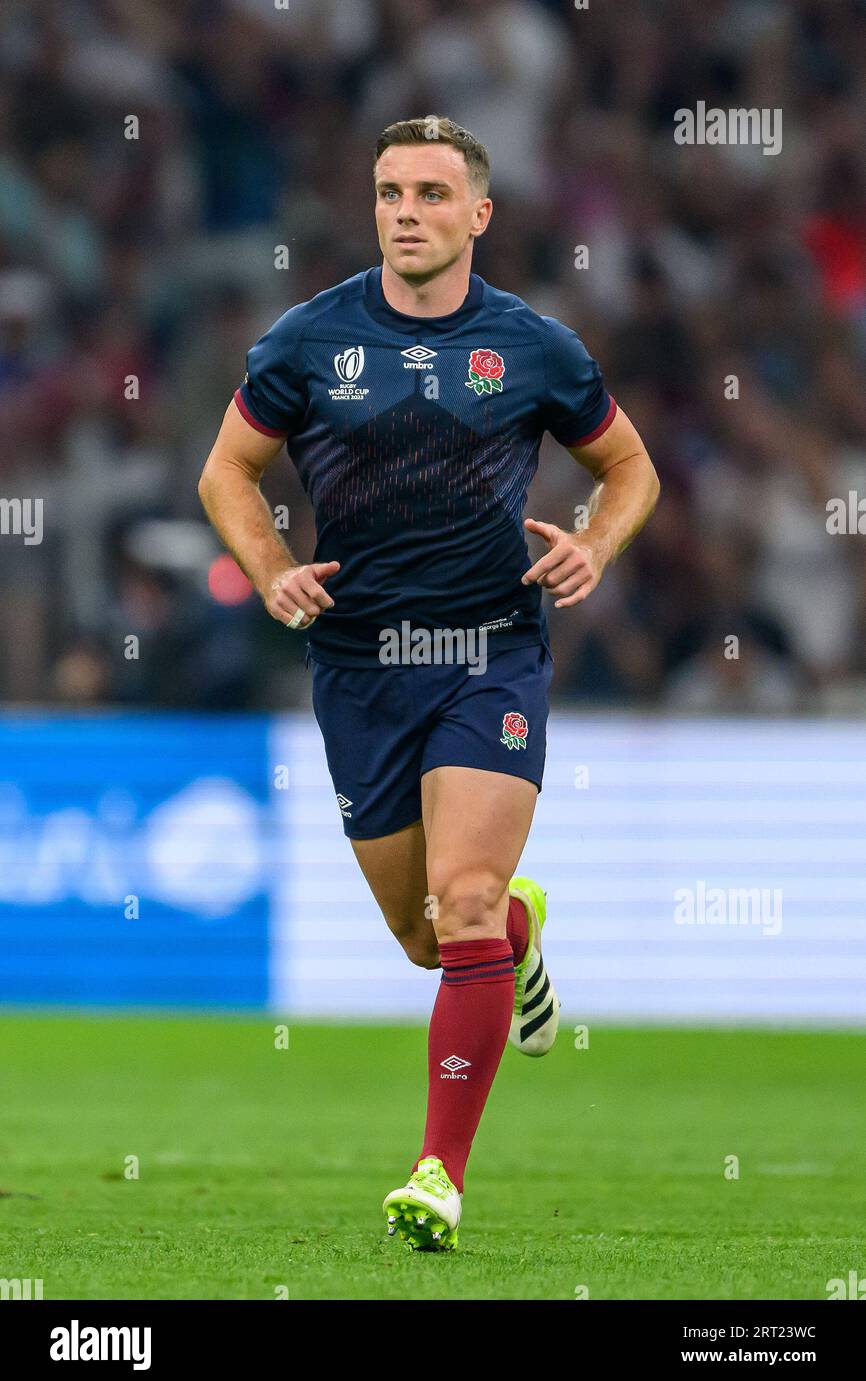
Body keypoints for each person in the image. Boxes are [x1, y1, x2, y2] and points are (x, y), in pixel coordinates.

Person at [198, 115, 660, 1252]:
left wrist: (596, 544)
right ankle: (519, 928)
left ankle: (436, 1176)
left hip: (487, 655)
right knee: (431, 939)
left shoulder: (535, 347)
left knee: (455, 902)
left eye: (431, 194)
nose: (406, 211)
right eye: (390, 192)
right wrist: (267, 569)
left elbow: (629, 465)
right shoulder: (307, 342)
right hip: (357, 668)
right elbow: (226, 471)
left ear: (478, 215)